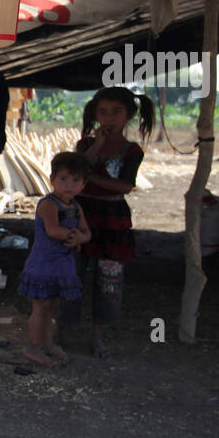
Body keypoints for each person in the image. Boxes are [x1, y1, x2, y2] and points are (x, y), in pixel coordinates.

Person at [62, 85, 155, 357]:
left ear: (129, 115)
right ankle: (63, 330)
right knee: (70, 274)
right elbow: (77, 169)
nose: (109, 118)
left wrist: (92, 179)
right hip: (79, 216)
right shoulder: (85, 145)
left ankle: (98, 336)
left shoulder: (132, 151)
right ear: (95, 114)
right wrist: (98, 145)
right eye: (103, 112)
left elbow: (125, 186)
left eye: (116, 112)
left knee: (109, 280)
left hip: (113, 221)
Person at [18, 153, 92, 366]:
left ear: (83, 184)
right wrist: (74, 236)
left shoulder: (76, 207)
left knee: (49, 308)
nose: (69, 185)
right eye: (63, 179)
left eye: (76, 180)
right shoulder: (48, 204)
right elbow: (52, 230)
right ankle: (33, 347)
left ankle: (47, 343)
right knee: (40, 308)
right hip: (44, 264)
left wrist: (82, 237)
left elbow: (87, 232)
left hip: (61, 265)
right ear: (52, 179)